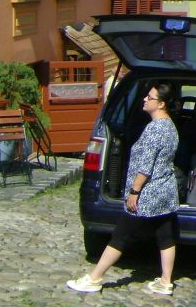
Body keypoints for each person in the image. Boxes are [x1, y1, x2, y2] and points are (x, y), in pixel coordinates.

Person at [67, 82, 180, 295]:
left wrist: (134, 192)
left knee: (120, 235)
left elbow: (145, 167)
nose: (145, 99)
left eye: (150, 97)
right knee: (165, 235)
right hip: (166, 190)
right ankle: (166, 282)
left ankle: (95, 278)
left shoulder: (155, 129)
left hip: (148, 192)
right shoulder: (170, 126)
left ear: (161, 104)